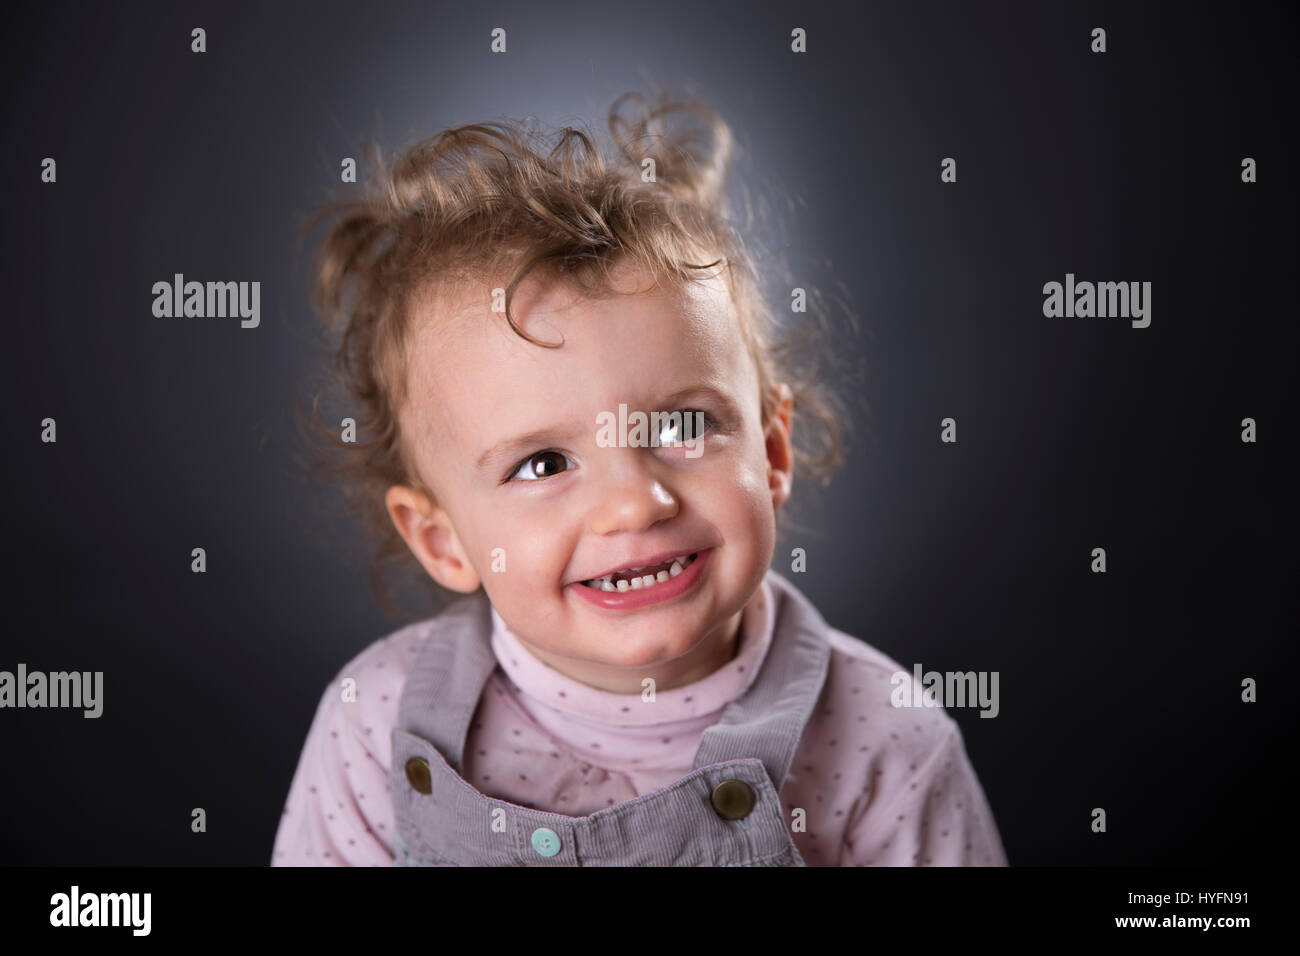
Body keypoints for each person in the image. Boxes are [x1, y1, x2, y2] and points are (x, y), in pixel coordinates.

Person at [272, 90, 1007, 866]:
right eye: (543, 463)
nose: (634, 504)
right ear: (443, 539)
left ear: (773, 453)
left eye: (684, 426)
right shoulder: (376, 723)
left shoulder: (885, 741)